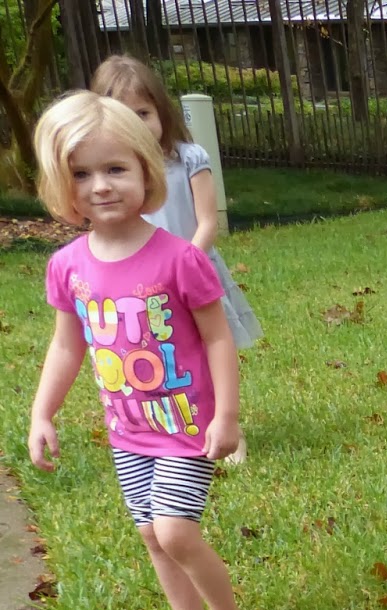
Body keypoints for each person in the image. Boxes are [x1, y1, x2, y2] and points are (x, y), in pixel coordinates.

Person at [27, 92, 249, 610]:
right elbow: (66, 343)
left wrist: (226, 414)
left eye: (115, 169)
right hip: (128, 429)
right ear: (60, 183)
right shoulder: (68, 266)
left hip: (184, 423)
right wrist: (42, 412)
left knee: (176, 531)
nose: (100, 185)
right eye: (82, 173)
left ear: (146, 172)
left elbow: (219, 338)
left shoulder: (180, 259)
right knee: (151, 534)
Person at [91, 55, 263, 466]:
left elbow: (206, 221)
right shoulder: (115, 174)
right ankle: (169, 424)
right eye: (124, 115)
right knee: (166, 355)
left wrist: (183, 264)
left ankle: (227, 426)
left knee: (210, 349)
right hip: (141, 287)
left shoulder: (188, 157)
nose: (137, 124)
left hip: (192, 271)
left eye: (144, 113)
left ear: (161, 111)